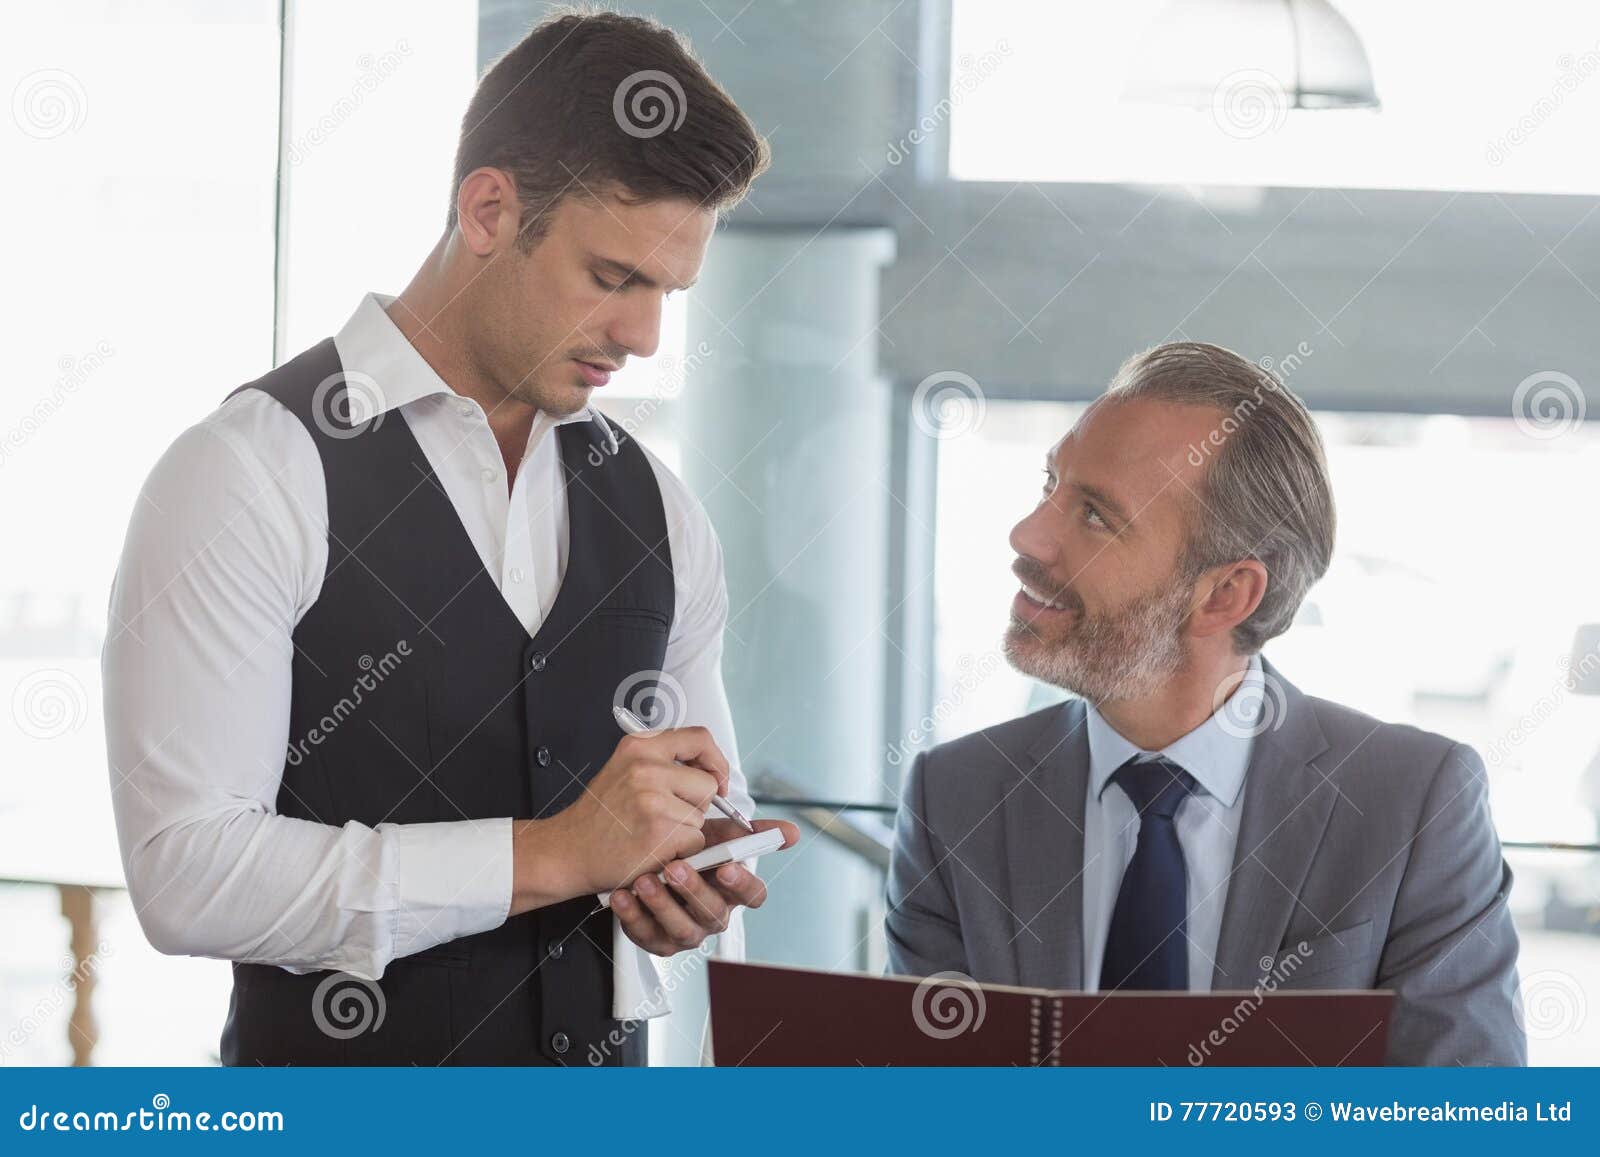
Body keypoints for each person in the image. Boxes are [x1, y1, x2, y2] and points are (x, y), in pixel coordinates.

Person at [103, 10, 795, 1066]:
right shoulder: (248, 469)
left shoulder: (659, 508)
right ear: (487, 208)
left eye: (668, 292)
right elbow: (187, 873)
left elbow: (695, 797)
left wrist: (686, 877)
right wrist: (554, 853)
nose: (645, 336)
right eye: (615, 278)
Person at [885, 341, 1525, 1065]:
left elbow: (1471, 1119)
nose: (1028, 535)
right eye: (1050, 485)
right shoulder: (955, 797)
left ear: (1226, 594)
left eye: (1095, 515)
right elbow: (922, 1104)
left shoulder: (1413, 805)